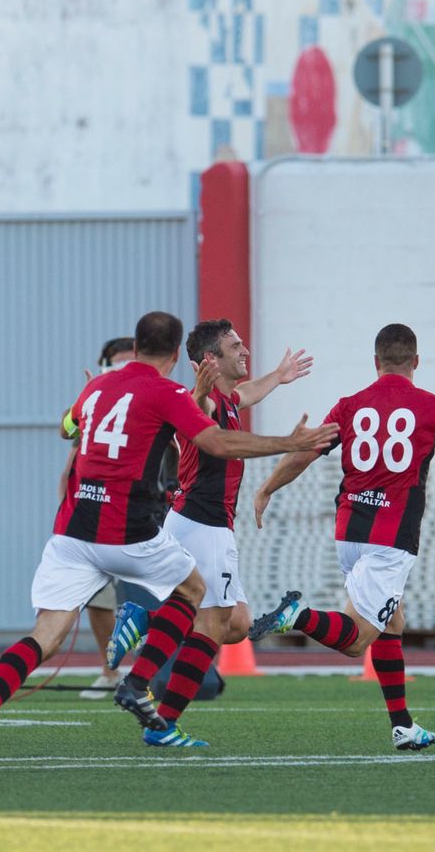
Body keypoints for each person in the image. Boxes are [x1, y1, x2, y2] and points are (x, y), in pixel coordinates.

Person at [0, 310, 336, 769]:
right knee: (193, 592)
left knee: (46, 635)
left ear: (134, 348)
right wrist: (289, 442)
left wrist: (86, 405)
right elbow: (215, 441)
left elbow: (66, 428)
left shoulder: (97, 388)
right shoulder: (169, 392)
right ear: (178, 355)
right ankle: (138, 684)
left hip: (73, 531)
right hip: (128, 529)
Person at [250, 323, 435, 751]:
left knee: (393, 620)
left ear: (376, 363)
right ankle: (295, 616)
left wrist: (266, 489)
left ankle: (403, 725)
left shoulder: (349, 405)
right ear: (416, 362)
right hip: (391, 540)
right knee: (356, 642)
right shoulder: (434, 407)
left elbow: (304, 454)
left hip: (349, 533)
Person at [113, 318, 311, 746]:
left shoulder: (228, 398)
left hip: (205, 524)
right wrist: (200, 392)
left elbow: (247, 392)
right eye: (235, 347)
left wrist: (278, 376)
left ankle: (145, 623)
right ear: (211, 360)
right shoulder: (200, 401)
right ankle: (163, 724)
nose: (245, 352)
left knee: (235, 624)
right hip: (203, 524)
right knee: (213, 622)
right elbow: (198, 408)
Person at [61, 336, 136, 700]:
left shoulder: (157, 397)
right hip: (100, 515)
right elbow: (69, 439)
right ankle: (111, 671)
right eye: (118, 364)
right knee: (99, 597)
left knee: (175, 592)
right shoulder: (95, 400)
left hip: (145, 514)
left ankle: (169, 668)